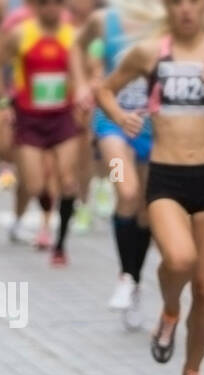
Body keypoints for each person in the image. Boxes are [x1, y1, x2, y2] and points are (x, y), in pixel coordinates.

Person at [97, 0, 204, 375]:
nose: (186, 9)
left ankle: (192, 371)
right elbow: (104, 90)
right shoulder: (150, 52)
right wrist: (121, 116)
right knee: (180, 260)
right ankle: (168, 312)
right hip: (167, 176)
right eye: (178, 2)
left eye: (194, 2)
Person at [0, 0, 90, 266]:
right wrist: (3, 102)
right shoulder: (21, 34)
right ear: (38, 6)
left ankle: (60, 245)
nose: (52, 9)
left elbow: (81, 72)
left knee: (68, 180)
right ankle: (44, 207)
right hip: (29, 118)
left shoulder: (72, 35)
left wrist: (82, 90)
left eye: (58, 3)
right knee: (35, 184)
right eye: (46, 3)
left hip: (62, 118)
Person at [80, 1, 154, 326]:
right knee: (126, 192)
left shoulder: (167, 21)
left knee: (145, 209)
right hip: (112, 123)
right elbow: (76, 46)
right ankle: (125, 277)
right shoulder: (103, 20)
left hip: (152, 128)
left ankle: (135, 282)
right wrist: (83, 82)